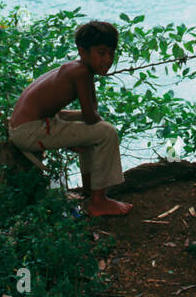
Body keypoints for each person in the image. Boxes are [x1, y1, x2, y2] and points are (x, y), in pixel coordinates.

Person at [7, 20, 132, 217]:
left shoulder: (76, 68)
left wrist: (75, 133)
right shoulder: (81, 72)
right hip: (29, 131)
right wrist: (77, 133)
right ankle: (98, 202)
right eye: (101, 53)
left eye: (111, 53)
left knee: (95, 129)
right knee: (106, 132)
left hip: (26, 126)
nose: (107, 60)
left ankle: (90, 191)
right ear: (83, 52)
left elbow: (84, 113)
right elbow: (91, 116)